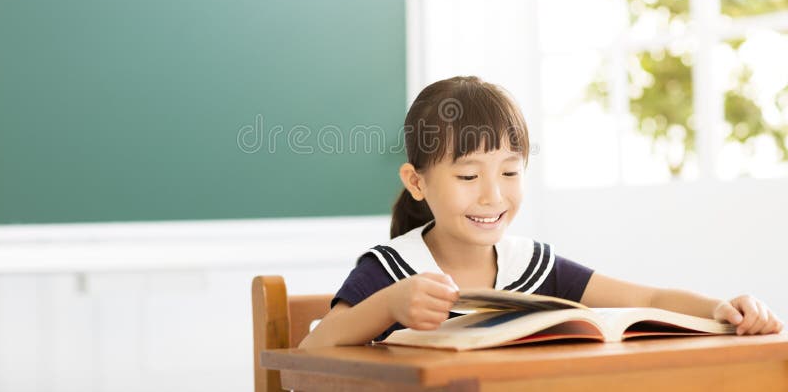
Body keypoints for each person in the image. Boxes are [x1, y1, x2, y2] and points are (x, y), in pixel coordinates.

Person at [299, 76, 784, 348]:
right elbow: (313, 350)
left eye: (510, 173)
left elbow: (649, 295)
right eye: (468, 177)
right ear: (417, 182)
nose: (492, 196)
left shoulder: (532, 266)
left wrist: (722, 309)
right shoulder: (390, 268)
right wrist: (389, 305)